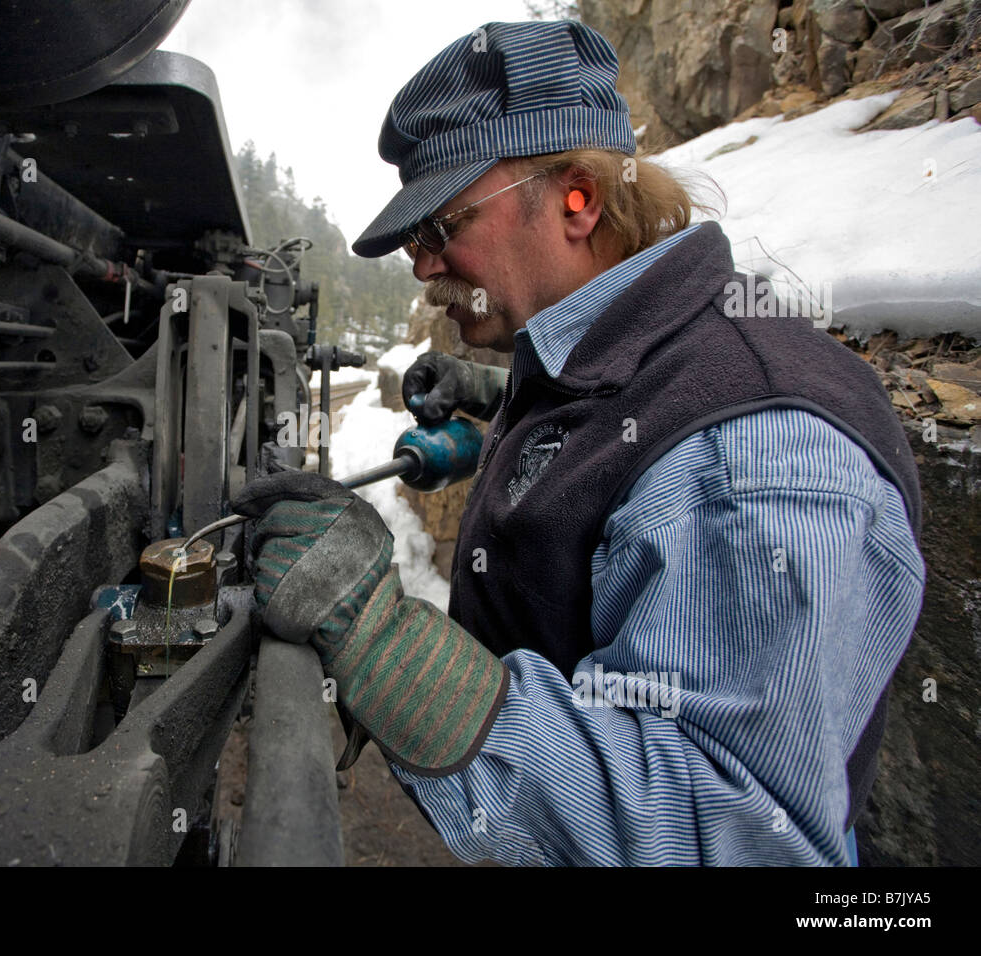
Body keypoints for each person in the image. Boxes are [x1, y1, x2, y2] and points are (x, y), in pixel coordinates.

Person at [231, 19, 925, 865]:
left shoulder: (755, 459)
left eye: (440, 227)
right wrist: (499, 408)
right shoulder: (628, 352)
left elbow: (730, 837)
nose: (420, 265)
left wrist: (380, 643)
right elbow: (622, 437)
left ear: (578, 198)